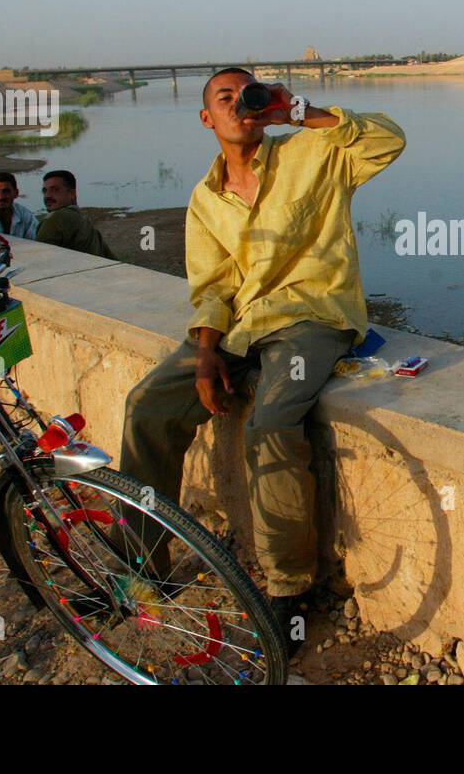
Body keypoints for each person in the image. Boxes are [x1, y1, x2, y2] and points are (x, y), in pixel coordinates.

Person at [118, 67, 404, 642]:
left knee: (272, 421)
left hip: (313, 316)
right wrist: (205, 354)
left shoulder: (313, 155)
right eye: (225, 98)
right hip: (239, 326)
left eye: (246, 93)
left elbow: (387, 140)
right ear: (207, 118)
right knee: (147, 408)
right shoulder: (205, 198)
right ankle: (142, 568)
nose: (239, 105)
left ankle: (290, 587)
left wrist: (296, 111)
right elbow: (212, 284)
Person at [35, 169, 115, 258]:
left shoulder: (55, 219)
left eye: (55, 189)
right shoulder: (83, 218)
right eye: (45, 191)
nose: (47, 195)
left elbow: (40, 259)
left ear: (72, 193)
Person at [0, 171, 39, 238]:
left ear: (16, 193)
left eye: (6, 191)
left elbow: (36, 241)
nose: (0, 197)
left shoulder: (26, 215)